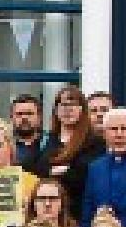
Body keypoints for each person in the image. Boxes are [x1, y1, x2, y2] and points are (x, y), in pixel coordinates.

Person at [35, 85, 104, 218]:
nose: (68, 110)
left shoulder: (95, 142)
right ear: (56, 110)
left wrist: (58, 171)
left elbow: (85, 173)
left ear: (82, 110)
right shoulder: (46, 140)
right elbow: (37, 170)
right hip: (49, 213)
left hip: (80, 213)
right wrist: (63, 169)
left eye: (73, 105)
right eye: (63, 105)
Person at [10, 93, 48, 172]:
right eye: (19, 114)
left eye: (29, 113)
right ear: (11, 118)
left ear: (39, 117)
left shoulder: (51, 143)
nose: (24, 118)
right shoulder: (4, 146)